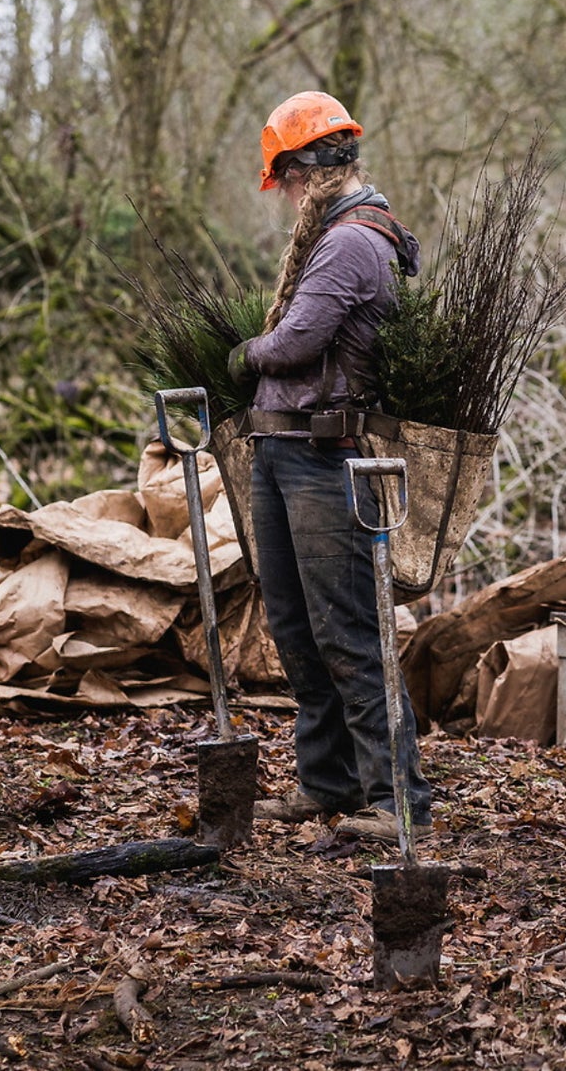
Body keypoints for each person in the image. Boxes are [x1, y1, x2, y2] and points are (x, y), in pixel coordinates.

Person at [227, 90, 431, 845]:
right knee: (296, 629)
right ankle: (330, 784)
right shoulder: (332, 234)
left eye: (281, 178)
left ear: (305, 169)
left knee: (347, 631)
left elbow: (297, 341)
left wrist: (245, 353)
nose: (279, 195)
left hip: (324, 456)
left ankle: (396, 802)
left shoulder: (351, 241)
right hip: (283, 448)